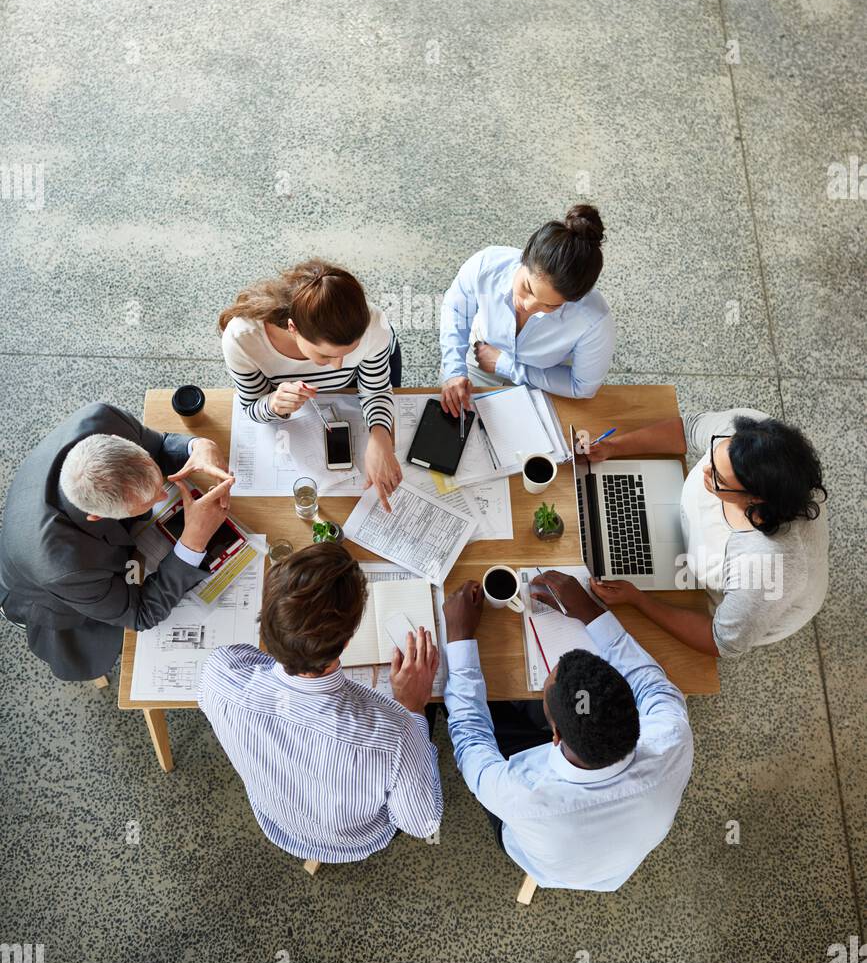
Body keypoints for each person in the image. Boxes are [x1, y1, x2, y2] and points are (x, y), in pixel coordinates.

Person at [442, 574, 693, 891]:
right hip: (615, 863)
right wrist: (589, 610)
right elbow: (650, 681)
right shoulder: (672, 737)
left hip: (542, 857)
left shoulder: (519, 793)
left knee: (467, 706)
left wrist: (459, 636)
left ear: (555, 734)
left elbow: (469, 737)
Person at [199, 543, 442, 863]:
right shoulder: (397, 735)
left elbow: (255, 662)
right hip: (355, 840)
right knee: (434, 708)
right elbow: (421, 823)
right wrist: (412, 707)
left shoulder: (220, 674)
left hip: (276, 820)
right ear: (345, 642)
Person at [0, 403, 234, 682]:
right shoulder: (65, 567)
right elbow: (141, 614)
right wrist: (193, 541)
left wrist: (198, 446)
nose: (164, 496)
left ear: (115, 439)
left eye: (159, 483)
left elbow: (158, 445)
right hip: (48, 600)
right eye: (150, 501)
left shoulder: (103, 418)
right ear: (97, 516)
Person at [581, 408, 829, 658]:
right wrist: (612, 448)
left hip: (749, 603)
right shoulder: (753, 437)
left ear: (755, 499)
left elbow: (720, 641)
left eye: (718, 478)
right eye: (713, 454)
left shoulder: (765, 571)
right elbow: (686, 430)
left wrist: (638, 599)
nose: (705, 471)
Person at [219, 258, 402, 509]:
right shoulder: (243, 339)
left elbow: (376, 389)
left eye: (350, 352)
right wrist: (273, 403)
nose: (340, 366)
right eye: (326, 355)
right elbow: (251, 407)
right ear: (293, 328)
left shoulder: (375, 325)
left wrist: (381, 436)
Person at [439, 204, 615, 417]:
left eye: (551, 305)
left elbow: (582, 387)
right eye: (527, 288)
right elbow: (456, 310)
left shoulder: (593, 320)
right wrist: (454, 370)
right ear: (525, 258)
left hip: (543, 380)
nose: (529, 306)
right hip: (477, 359)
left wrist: (506, 365)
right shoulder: (486, 265)